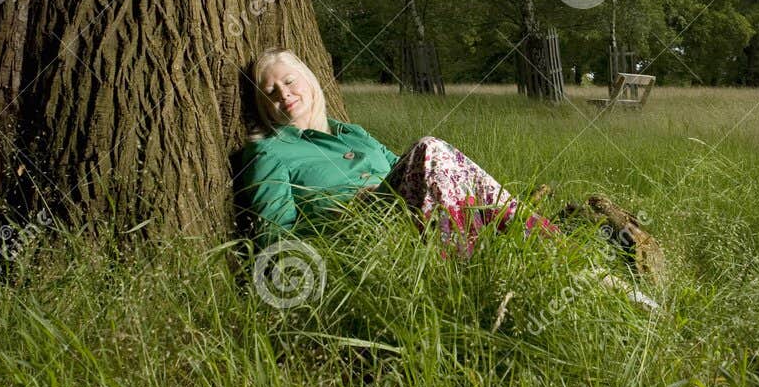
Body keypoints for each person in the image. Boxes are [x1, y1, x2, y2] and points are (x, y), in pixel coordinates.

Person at [232, 48, 559, 259]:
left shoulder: (353, 133)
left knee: (444, 163)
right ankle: (469, 263)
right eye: (271, 91)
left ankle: (550, 251)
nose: (284, 94)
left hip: (411, 217)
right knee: (430, 148)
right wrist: (338, 217)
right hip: (359, 233)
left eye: (289, 81)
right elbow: (273, 235)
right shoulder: (269, 152)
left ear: (309, 81)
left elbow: (405, 172)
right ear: (263, 104)